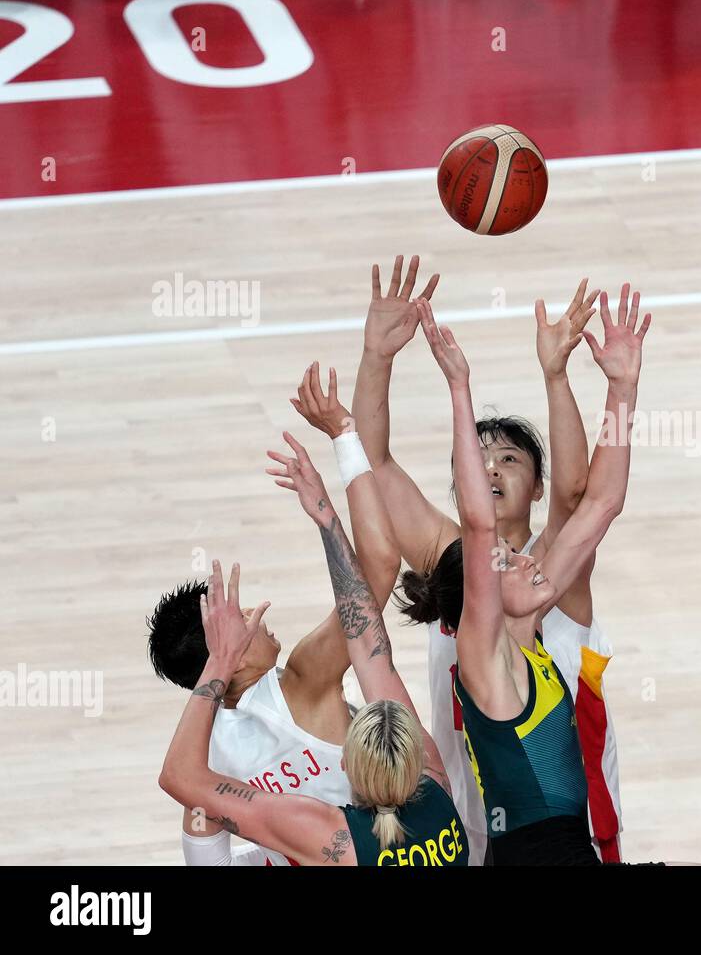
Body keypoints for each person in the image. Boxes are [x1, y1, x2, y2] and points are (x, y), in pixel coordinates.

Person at [353, 255, 623, 861]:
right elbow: (373, 463)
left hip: (564, 820)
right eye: (481, 458)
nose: (493, 466)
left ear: (536, 486)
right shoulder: (455, 560)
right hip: (462, 815)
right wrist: (377, 357)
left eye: (511, 459)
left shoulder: (547, 568)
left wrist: (560, 377)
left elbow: (587, 497)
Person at [157, 420, 467, 867]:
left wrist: (218, 666)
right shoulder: (306, 680)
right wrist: (329, 498)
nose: (257, 614)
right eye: (242, 617)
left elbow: (181, 783)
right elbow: (379, 572)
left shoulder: (200, 748)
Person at [416, 287, 648, 864]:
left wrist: (622, 388)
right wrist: (458, 389)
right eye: (507, 563)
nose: (526, 558)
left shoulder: (528, 621)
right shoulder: (482, 655)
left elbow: (602, 504)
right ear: (483, 599)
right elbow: (475, 519)